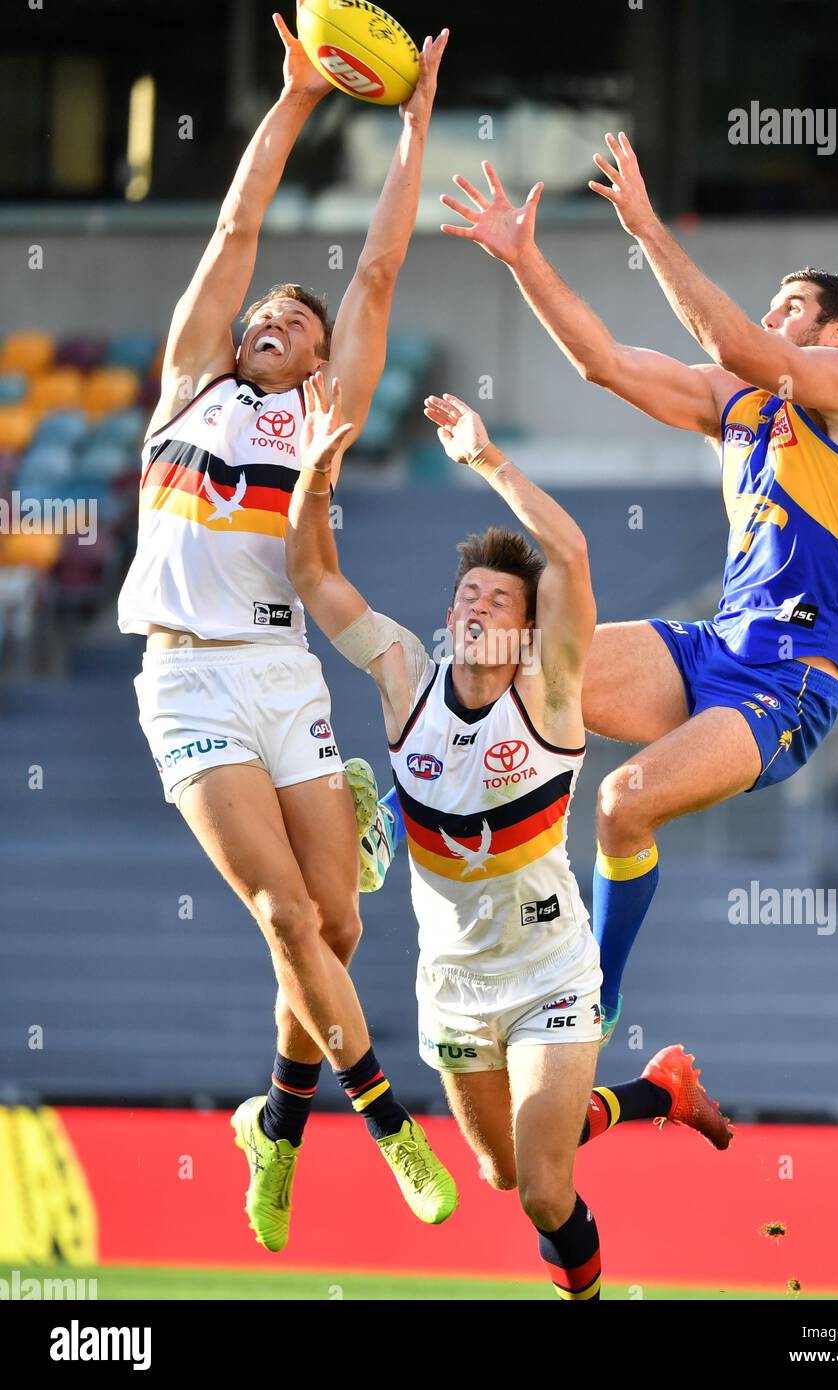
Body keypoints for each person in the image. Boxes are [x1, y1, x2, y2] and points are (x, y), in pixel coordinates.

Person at [116, 16, 457, 1251]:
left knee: (340, 927)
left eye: (292, 321)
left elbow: (374, 271)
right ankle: (385, 1123)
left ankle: (272, 1118)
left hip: (281, 670)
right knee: (285, 920)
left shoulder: (327, 408)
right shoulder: (190, 387)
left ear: (317, 355)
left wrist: (414, 124)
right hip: (188, 685)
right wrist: (300, 96)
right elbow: (235, 227)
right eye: (263, 313)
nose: (272, 315)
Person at [435, 141, 838, 1041]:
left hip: (787, 683)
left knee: (622, 803)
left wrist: (645, 227)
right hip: (715, 648)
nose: (772, 317)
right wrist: (525, 257)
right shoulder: (744, 410)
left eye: (791, 308)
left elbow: (731, 342)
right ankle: (419, 820)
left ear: (834, 333)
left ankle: (596, 1000)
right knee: (514, 664)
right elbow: (602, 361)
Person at [287, 379, 732, 1301]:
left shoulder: (549, 691)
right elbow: (315, 580)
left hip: (551, 977)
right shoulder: (407, 674)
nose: (475, 607)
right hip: (453, 985)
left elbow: (567, 550)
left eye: (496, 598)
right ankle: (659, 1093)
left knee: (541, 1189)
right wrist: (314, 477)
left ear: (529, 629)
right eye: (466, 596)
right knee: (500, 1172)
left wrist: (486, 460)